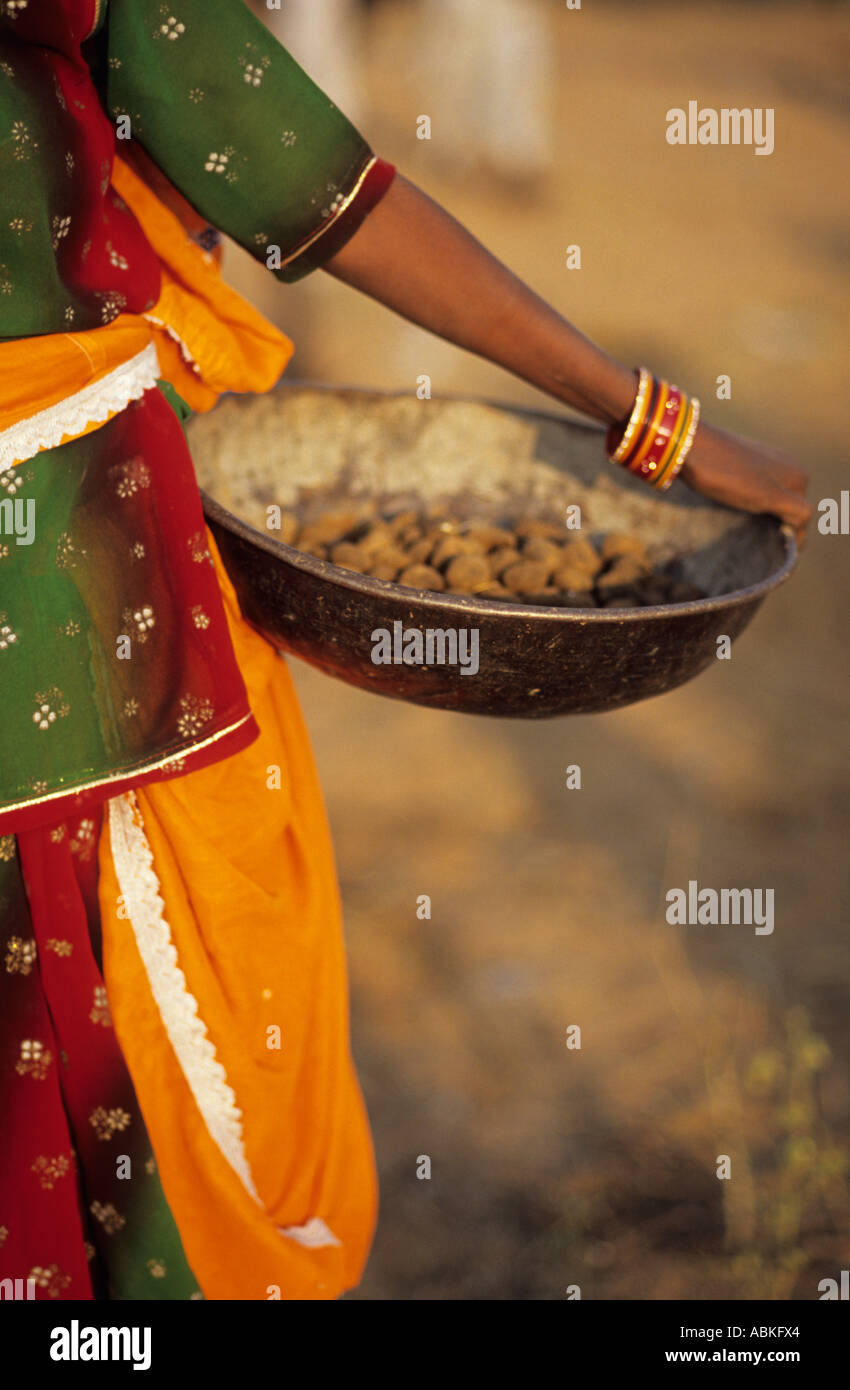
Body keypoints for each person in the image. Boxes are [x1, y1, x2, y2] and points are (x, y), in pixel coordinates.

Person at [0, 0, 810, 1303]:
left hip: (80, 588)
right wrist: (653, 420)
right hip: (72, 602)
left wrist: (652, 422)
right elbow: (312, 186)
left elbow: (299, 170)